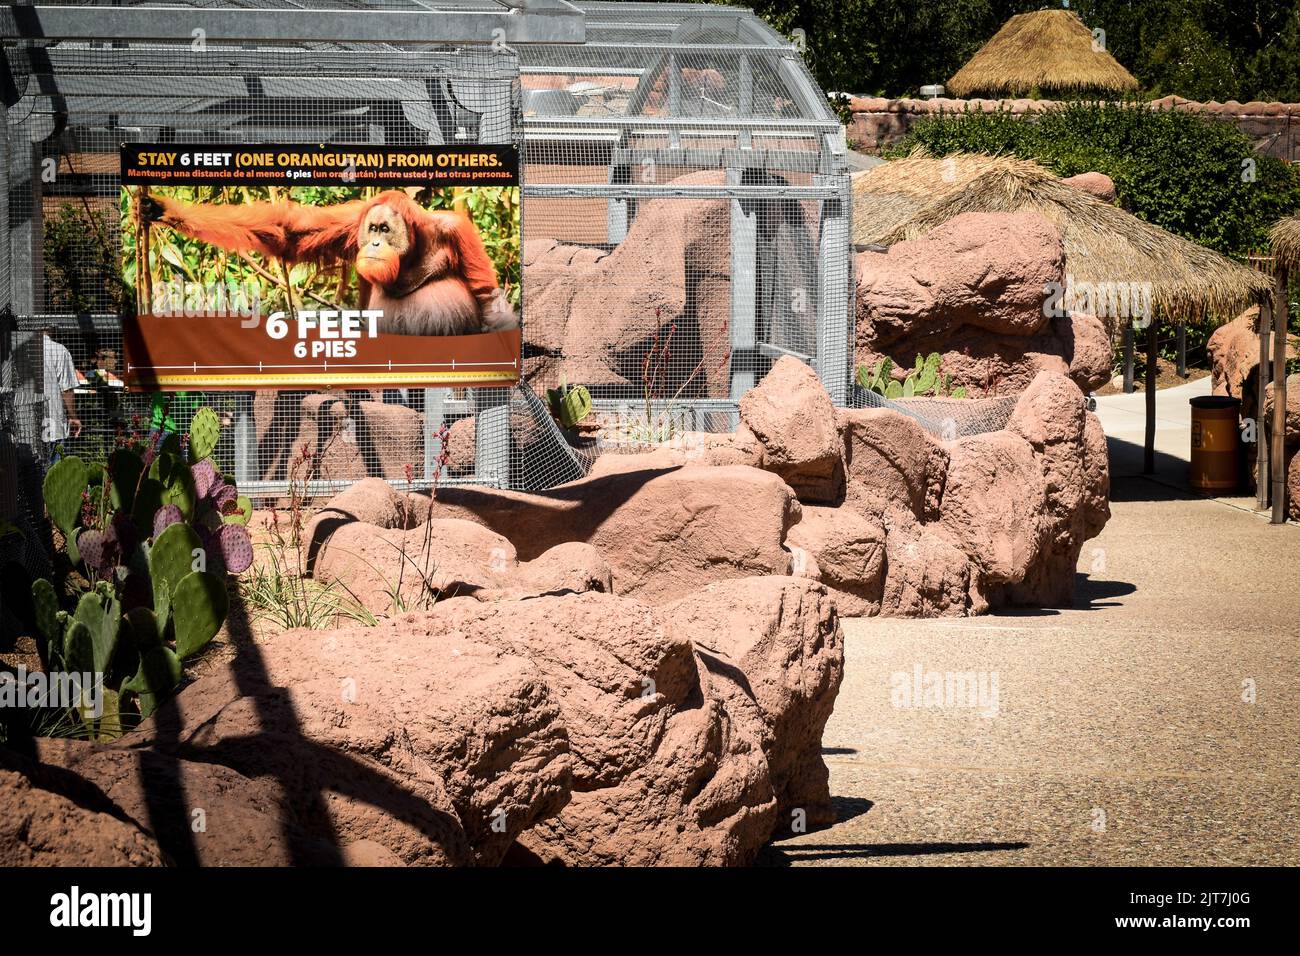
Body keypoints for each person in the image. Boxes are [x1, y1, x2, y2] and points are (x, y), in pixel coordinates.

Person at [40, 325, 81, 458]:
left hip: (24, 426)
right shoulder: (59, 350)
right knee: (57, 473)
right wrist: (74, 417)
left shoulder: (21, 350)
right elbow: (67, 389)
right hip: (53, 424)